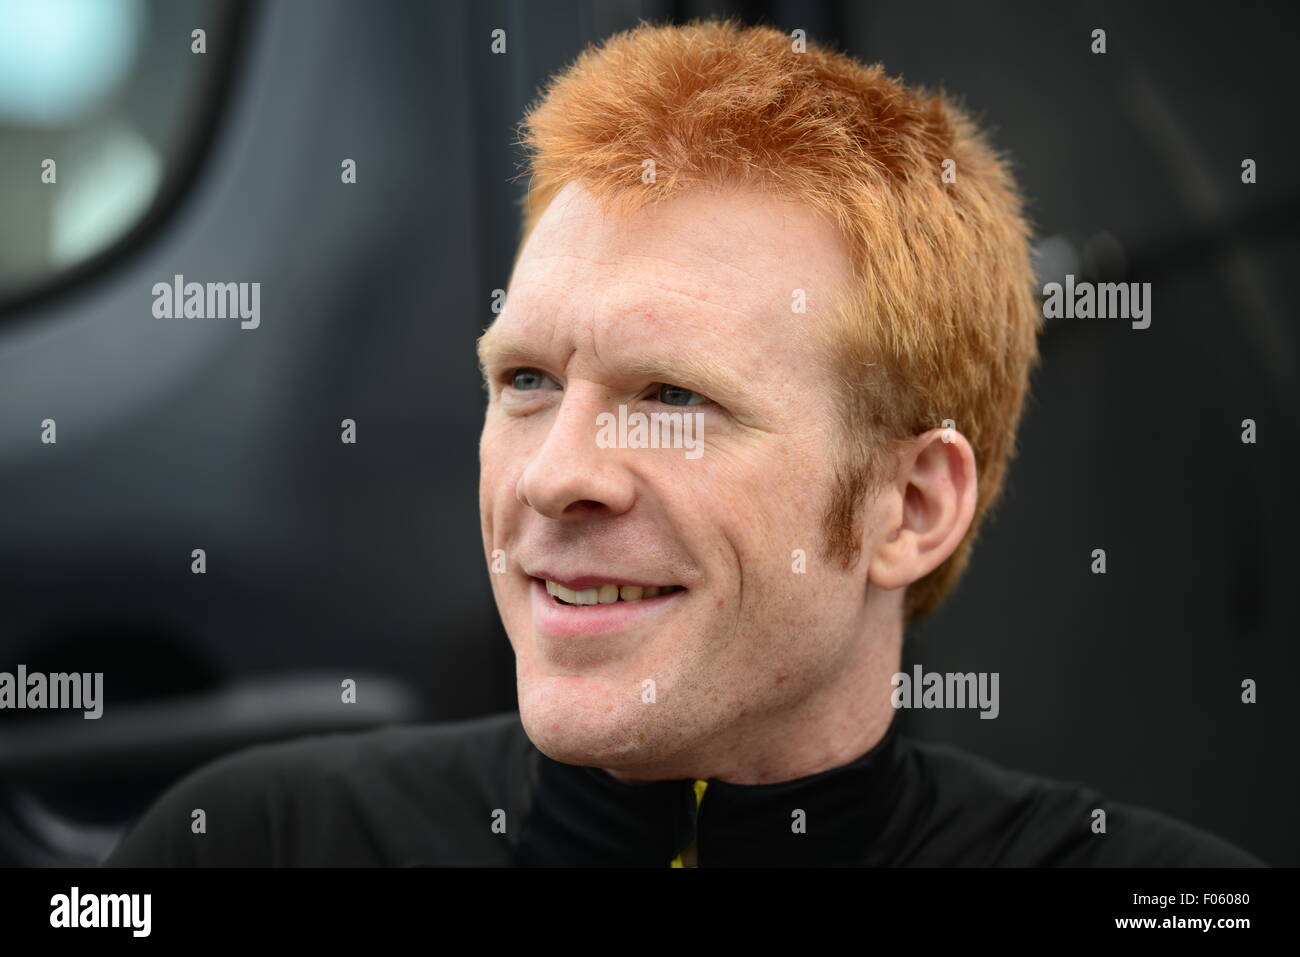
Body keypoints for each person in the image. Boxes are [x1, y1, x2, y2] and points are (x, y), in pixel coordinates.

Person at [104, 19, 1261, 868]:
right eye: (525, 380)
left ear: (909, 506)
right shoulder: (256, 844)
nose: (556, 475)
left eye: (671, 395)